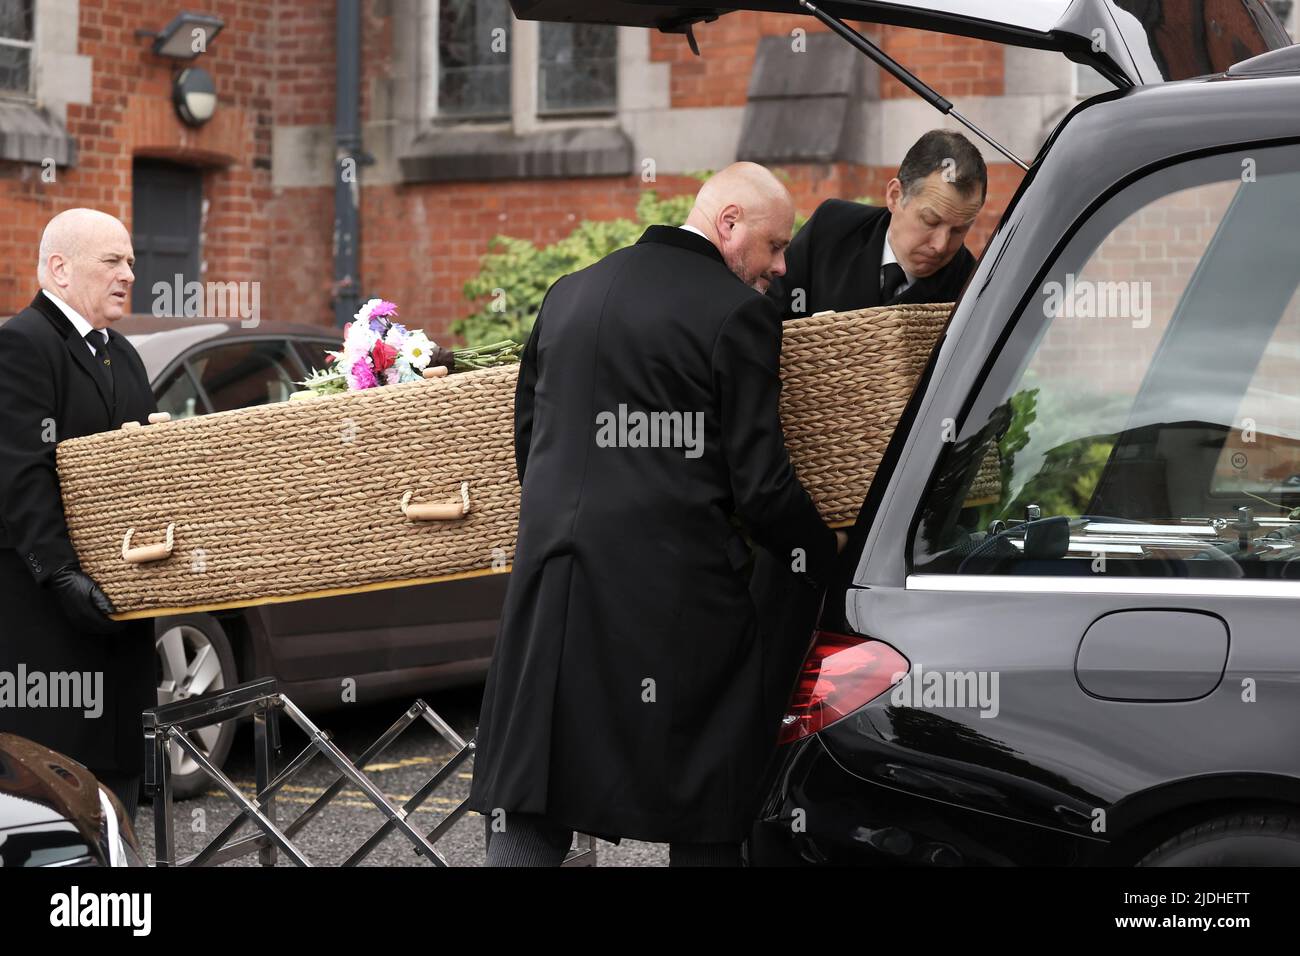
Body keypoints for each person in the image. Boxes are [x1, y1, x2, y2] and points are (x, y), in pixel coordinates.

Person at [468, 163, 847, 866]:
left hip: (554, 591)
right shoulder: (738, 315)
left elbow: (529, 442)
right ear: (729, 223)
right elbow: (762, 489)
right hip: (676, 607)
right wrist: (829, 556)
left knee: (533, 790)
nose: (782, 265)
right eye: (774, 246)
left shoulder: (569, 294)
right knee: (705, 808)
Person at [0, 208, 158, 825]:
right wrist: (60, 574)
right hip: (45, 617)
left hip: (119, 613)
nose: (128, 275)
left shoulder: (125, 353)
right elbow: (20, 472)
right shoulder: (22, 342)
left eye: (132, 264)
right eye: (113, 261)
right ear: (59, 269)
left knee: (118, 789)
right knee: (54, 792)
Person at [767, 128, 987, 319]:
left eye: (959, 230)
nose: (940, 245)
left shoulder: (971, 288)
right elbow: (770, 313)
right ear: (894, 196)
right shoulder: (831, 228)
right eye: (930, 221)